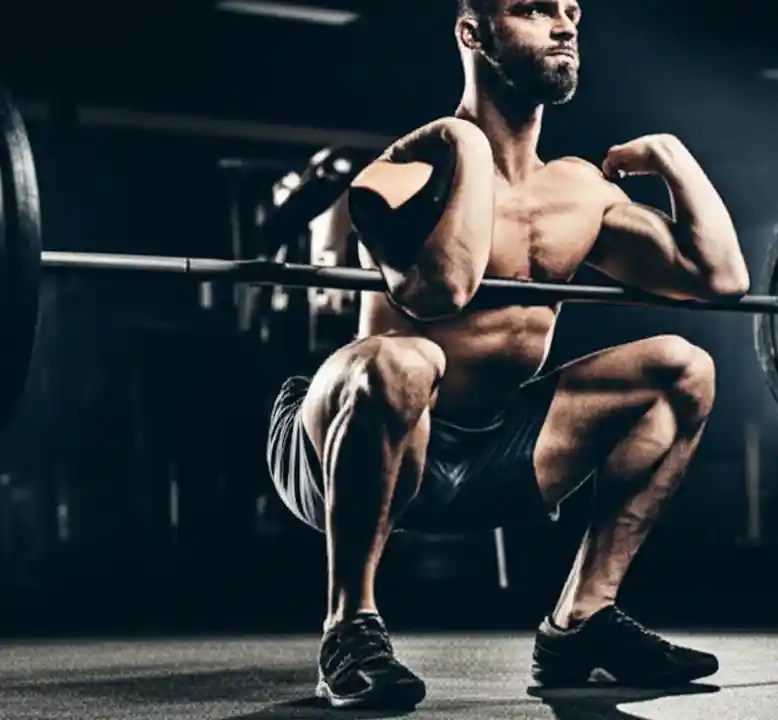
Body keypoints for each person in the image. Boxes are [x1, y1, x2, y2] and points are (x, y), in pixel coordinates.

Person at [266, 0, 750, 709]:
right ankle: (348, 627)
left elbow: (721, 281)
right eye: (532, 10)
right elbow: (443, 292)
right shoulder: (400, 170)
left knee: (684, 369)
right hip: (365, 452)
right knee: (402, 361)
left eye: (570, 12)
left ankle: (580, 623)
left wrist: (672, 160)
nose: (564, 26)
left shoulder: (579, 190)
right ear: (474, 33)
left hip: (497, 453)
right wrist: (467, 149)